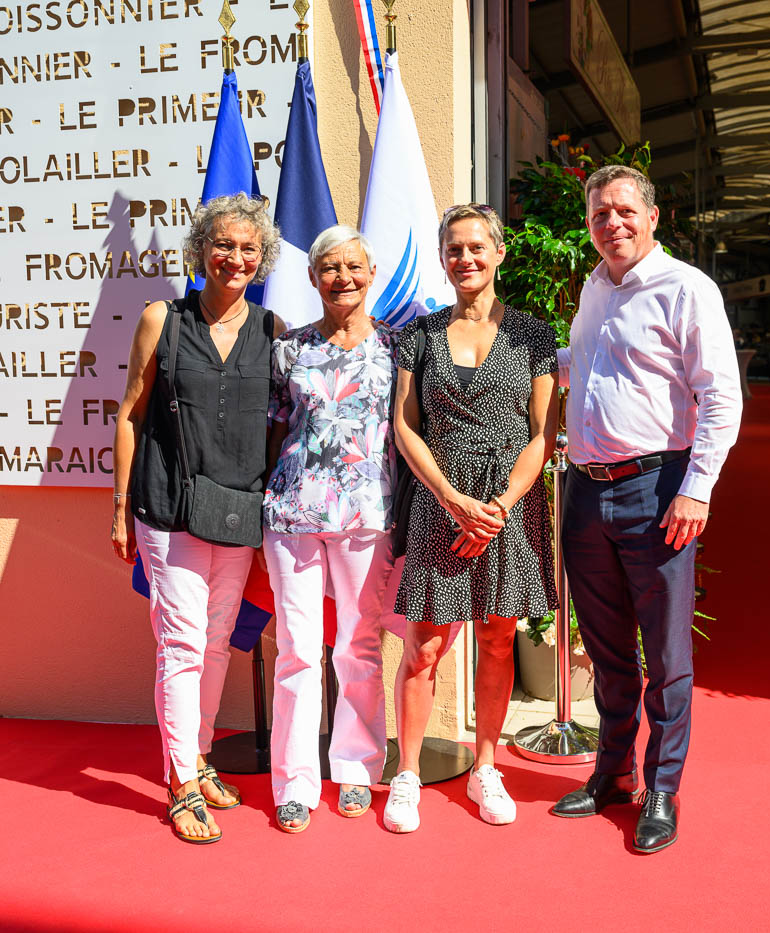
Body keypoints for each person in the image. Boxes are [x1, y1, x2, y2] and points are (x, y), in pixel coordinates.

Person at [551, 166, 742, 854]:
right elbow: (586, 364)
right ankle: (613, 772)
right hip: (585, 490)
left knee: (664, 655)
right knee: (606, 651)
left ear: (653, 216)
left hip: (657, 491)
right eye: (600, 214)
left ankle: (663, 787)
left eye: (625, 211)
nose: (613, 223)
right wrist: (519, 357)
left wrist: (698, 487)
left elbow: (720, 395)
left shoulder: (687, 288)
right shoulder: (594, 288)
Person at [111, 194, 285, 844]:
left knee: (215, 642)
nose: (235, 258)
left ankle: (199, 757)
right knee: (182, 643)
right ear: (200, 251)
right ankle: (181, 782)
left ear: (262, 258)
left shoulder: (272, 329)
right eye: (223, 245)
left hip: (238, 509)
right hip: (168, 505)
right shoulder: (163, 318)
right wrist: (119, 505)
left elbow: (278, 427)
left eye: (248, 248)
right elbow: (130, 413)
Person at [384, 203, 559, 834]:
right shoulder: (419, 335)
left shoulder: (533, 334)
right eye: (454, 249)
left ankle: (486, 767)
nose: (466, 258)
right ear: (442, 258)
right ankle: (407, 775)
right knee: (424, 647)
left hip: (509, 506)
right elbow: (405, 426)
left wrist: (501, 506)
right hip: (441, 505)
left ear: (499, 253)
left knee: (496, 639)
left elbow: (543, 432)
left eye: (477, 247)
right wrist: (452, 499)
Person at [262, 226, 396, 833]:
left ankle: (357, 768)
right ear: (313, 278)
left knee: (358, 646)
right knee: (297, 649)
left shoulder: (397, 348)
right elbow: (272, 429)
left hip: (366, 514)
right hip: (293, 513)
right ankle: (294, 783)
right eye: (330, 268)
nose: (343, 278)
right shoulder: (288, 349)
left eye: (353, 266)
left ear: (372, 274)